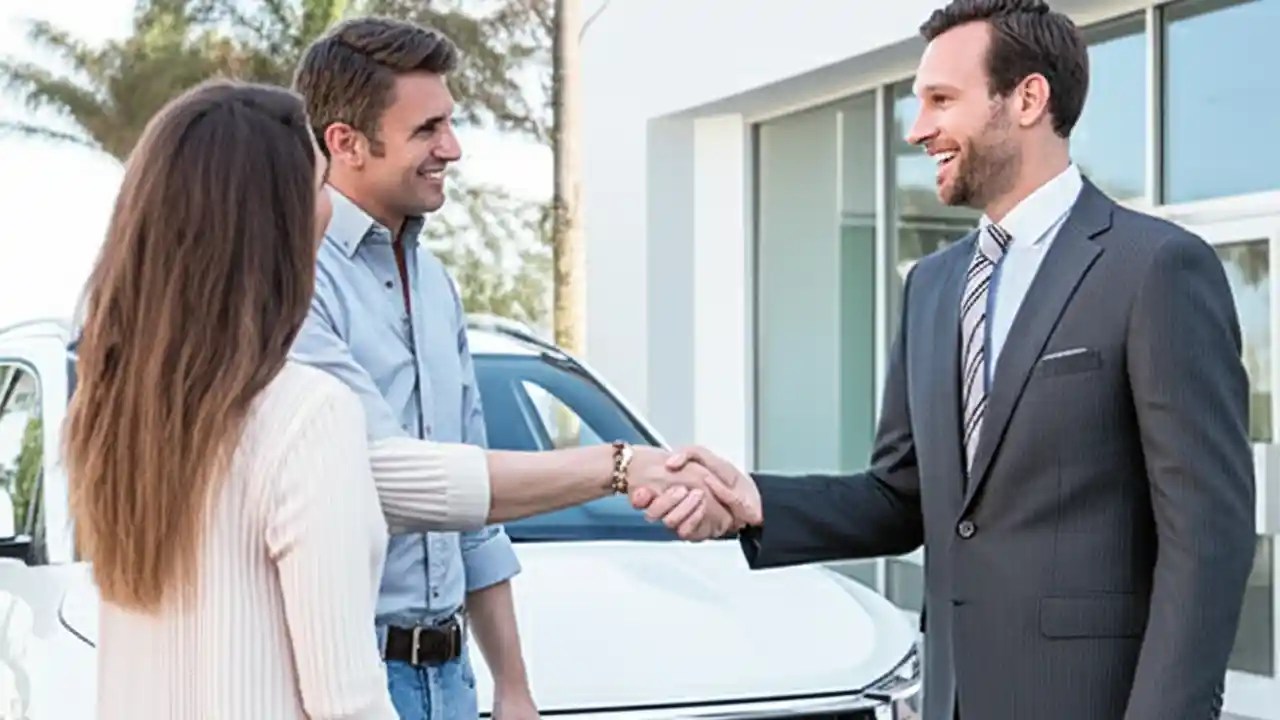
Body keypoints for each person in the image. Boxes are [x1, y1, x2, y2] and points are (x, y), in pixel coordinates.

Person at [635, 1, 1256, 719]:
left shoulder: (1154, 268)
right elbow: (903, 498)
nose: (917, 128)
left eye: (940, 100)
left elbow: (1206, 536)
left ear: (1027, 98)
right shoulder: (932, 286)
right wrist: (756, 500)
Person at [65, 79, 722, 720]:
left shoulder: (119, 413)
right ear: (272, 217)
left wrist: (621, 465)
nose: (329, 206)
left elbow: (411, 478)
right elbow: (346, 700)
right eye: (318, 184)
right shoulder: (305, 412)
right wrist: (618, 466)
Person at [288, 16, 731, 719]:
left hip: (453, 678)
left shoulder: (435, 285)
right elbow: (391, 479)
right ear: (345, 143)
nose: (453, 149)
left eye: (450, 124)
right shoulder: (295, 286)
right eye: (427, 129)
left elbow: (473, 515)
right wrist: (619, 466)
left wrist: (514, 686)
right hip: (345, 679)